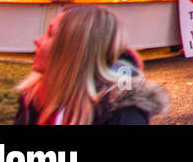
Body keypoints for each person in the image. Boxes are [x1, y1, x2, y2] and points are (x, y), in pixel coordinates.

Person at [14, 7, 169, 125]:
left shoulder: (122, 116)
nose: (37, 40)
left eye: (50, 34)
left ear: (74, 50)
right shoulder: (35, 97)